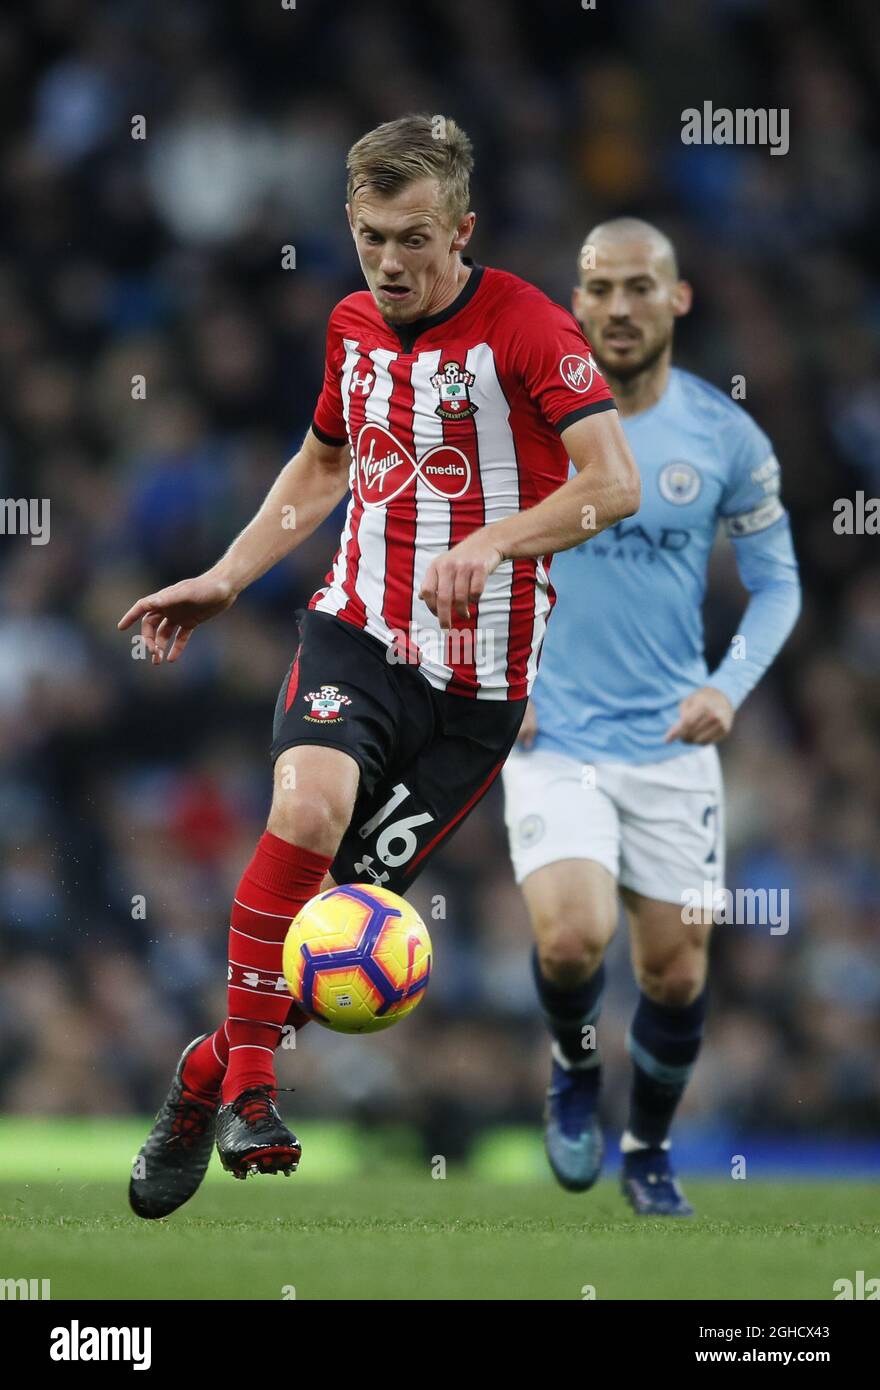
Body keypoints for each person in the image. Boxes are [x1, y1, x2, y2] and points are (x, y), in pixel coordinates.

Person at [120, 115, 639, 1218]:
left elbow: (613, 483)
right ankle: (253, 1099)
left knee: (329, 954)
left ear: (462, 230)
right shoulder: (351, 324)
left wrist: (494, 541)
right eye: (370, 239)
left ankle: (201, 1080)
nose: (391, 265)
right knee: (305, 811)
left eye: (413, 239)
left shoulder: (530, 331)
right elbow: (321, 463)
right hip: (359, 631)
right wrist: (225, 575)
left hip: (476, 699)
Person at [502, 218, 801, 1216]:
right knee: (571, 940)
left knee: (672, 976)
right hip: (555, 739)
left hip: (671, 745)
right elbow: (466, 554)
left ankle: (648, 1147)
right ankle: (574, 1065)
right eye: (599, 289)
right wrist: (496, 683)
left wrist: (726, 687)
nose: (618, 307)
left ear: (676, 299)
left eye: (639, 287)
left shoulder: (725, 438)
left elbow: (778, 587)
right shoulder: (527, 423)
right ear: (575, 303)